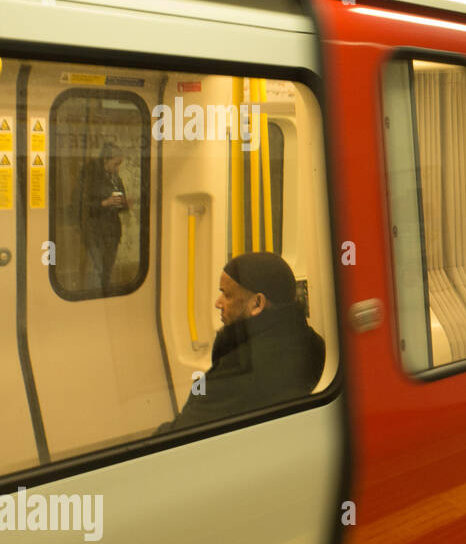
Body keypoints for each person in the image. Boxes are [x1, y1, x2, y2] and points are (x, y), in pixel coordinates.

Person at [157, 252, 325, 431]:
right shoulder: (313, 344)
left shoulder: (240, 368)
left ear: (257, 304)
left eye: (226, 295)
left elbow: (183, 431)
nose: (218, 303)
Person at [79, 142, 129, 293]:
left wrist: (124, 203)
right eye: (115, 164)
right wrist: (104, 203)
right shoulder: (90, 178)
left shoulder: (116, 179)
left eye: (119, 164)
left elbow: (122, 204)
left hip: (112, 231)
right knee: (96, 270)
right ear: (105, 160)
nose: (117, 168)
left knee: (107, 271)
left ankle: (105, 298)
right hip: (95, 232)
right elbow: (81, 206)